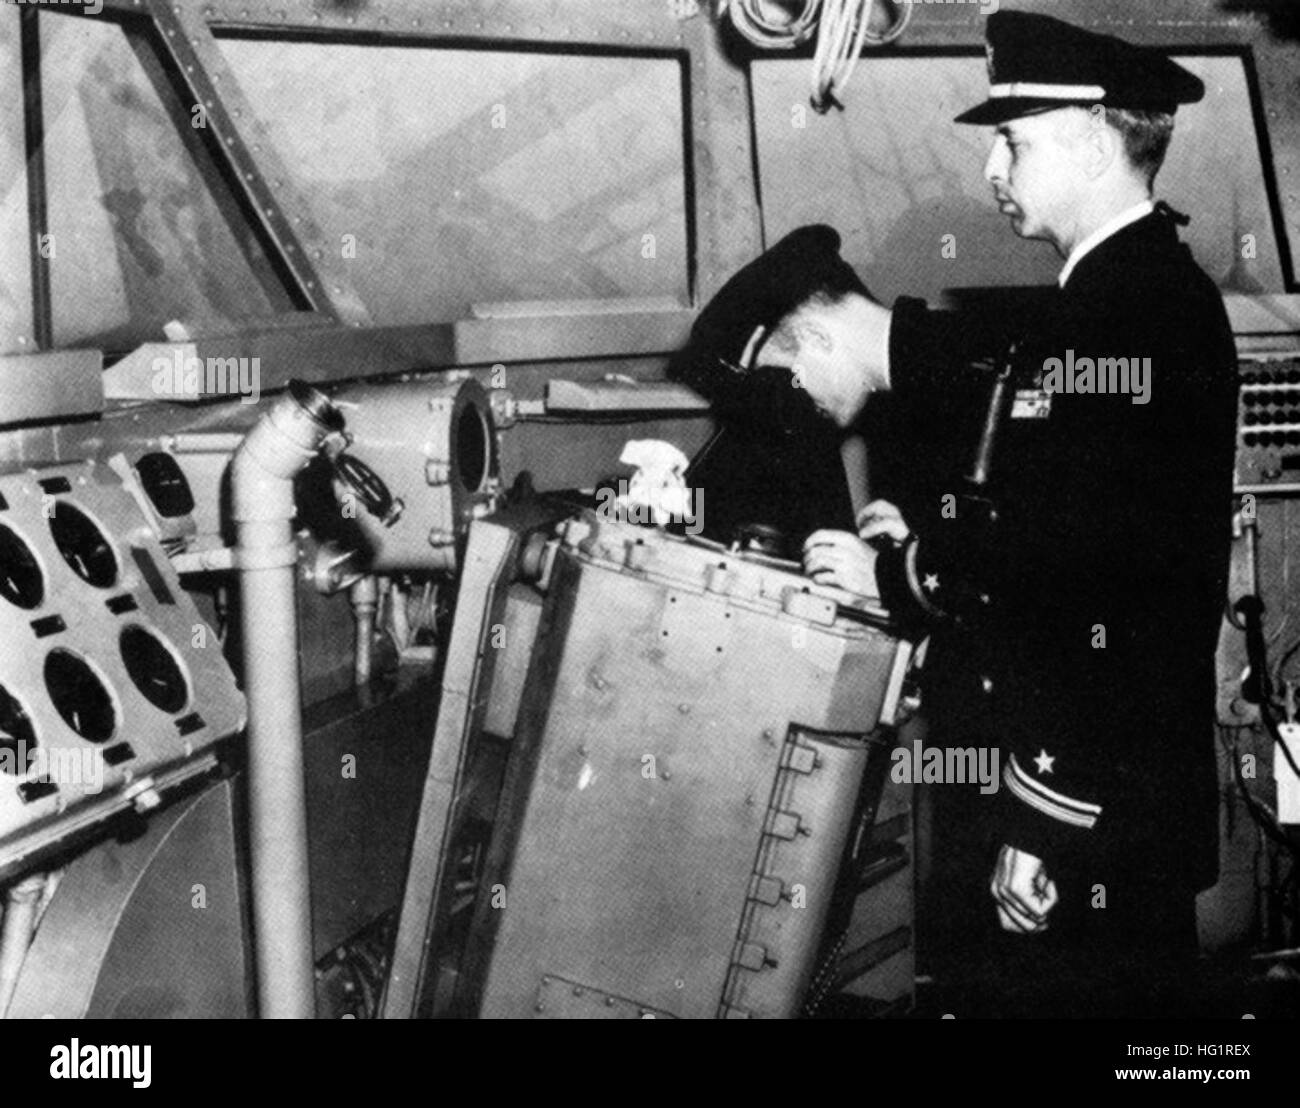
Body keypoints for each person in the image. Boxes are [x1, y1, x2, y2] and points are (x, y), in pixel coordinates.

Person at [684, 9, 1240, 1017]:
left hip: (1087, 803)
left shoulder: (1130, 311)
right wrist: (927, 552)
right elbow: (1057, 520)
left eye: (1012, 141)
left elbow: (1092, 575)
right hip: (1102, 794)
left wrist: (1047, 825)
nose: (993, 169)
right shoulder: (1118, 300)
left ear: (1084, 138)